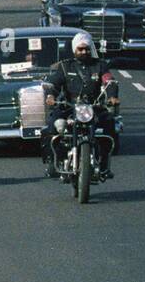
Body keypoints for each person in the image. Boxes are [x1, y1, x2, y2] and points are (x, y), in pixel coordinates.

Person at [42, 31, 119, 178]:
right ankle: (53, 162)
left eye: (87, 49)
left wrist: (112, 96)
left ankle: (104, 164)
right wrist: (51, 96)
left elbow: (109, 81)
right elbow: (53, 83)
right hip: (69, 106)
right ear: (74, 50)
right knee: (51, 125)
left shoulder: (100, 65)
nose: (84, 51)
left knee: (110, 123)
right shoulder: (65, 67)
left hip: (93, 106)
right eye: (80, 49)